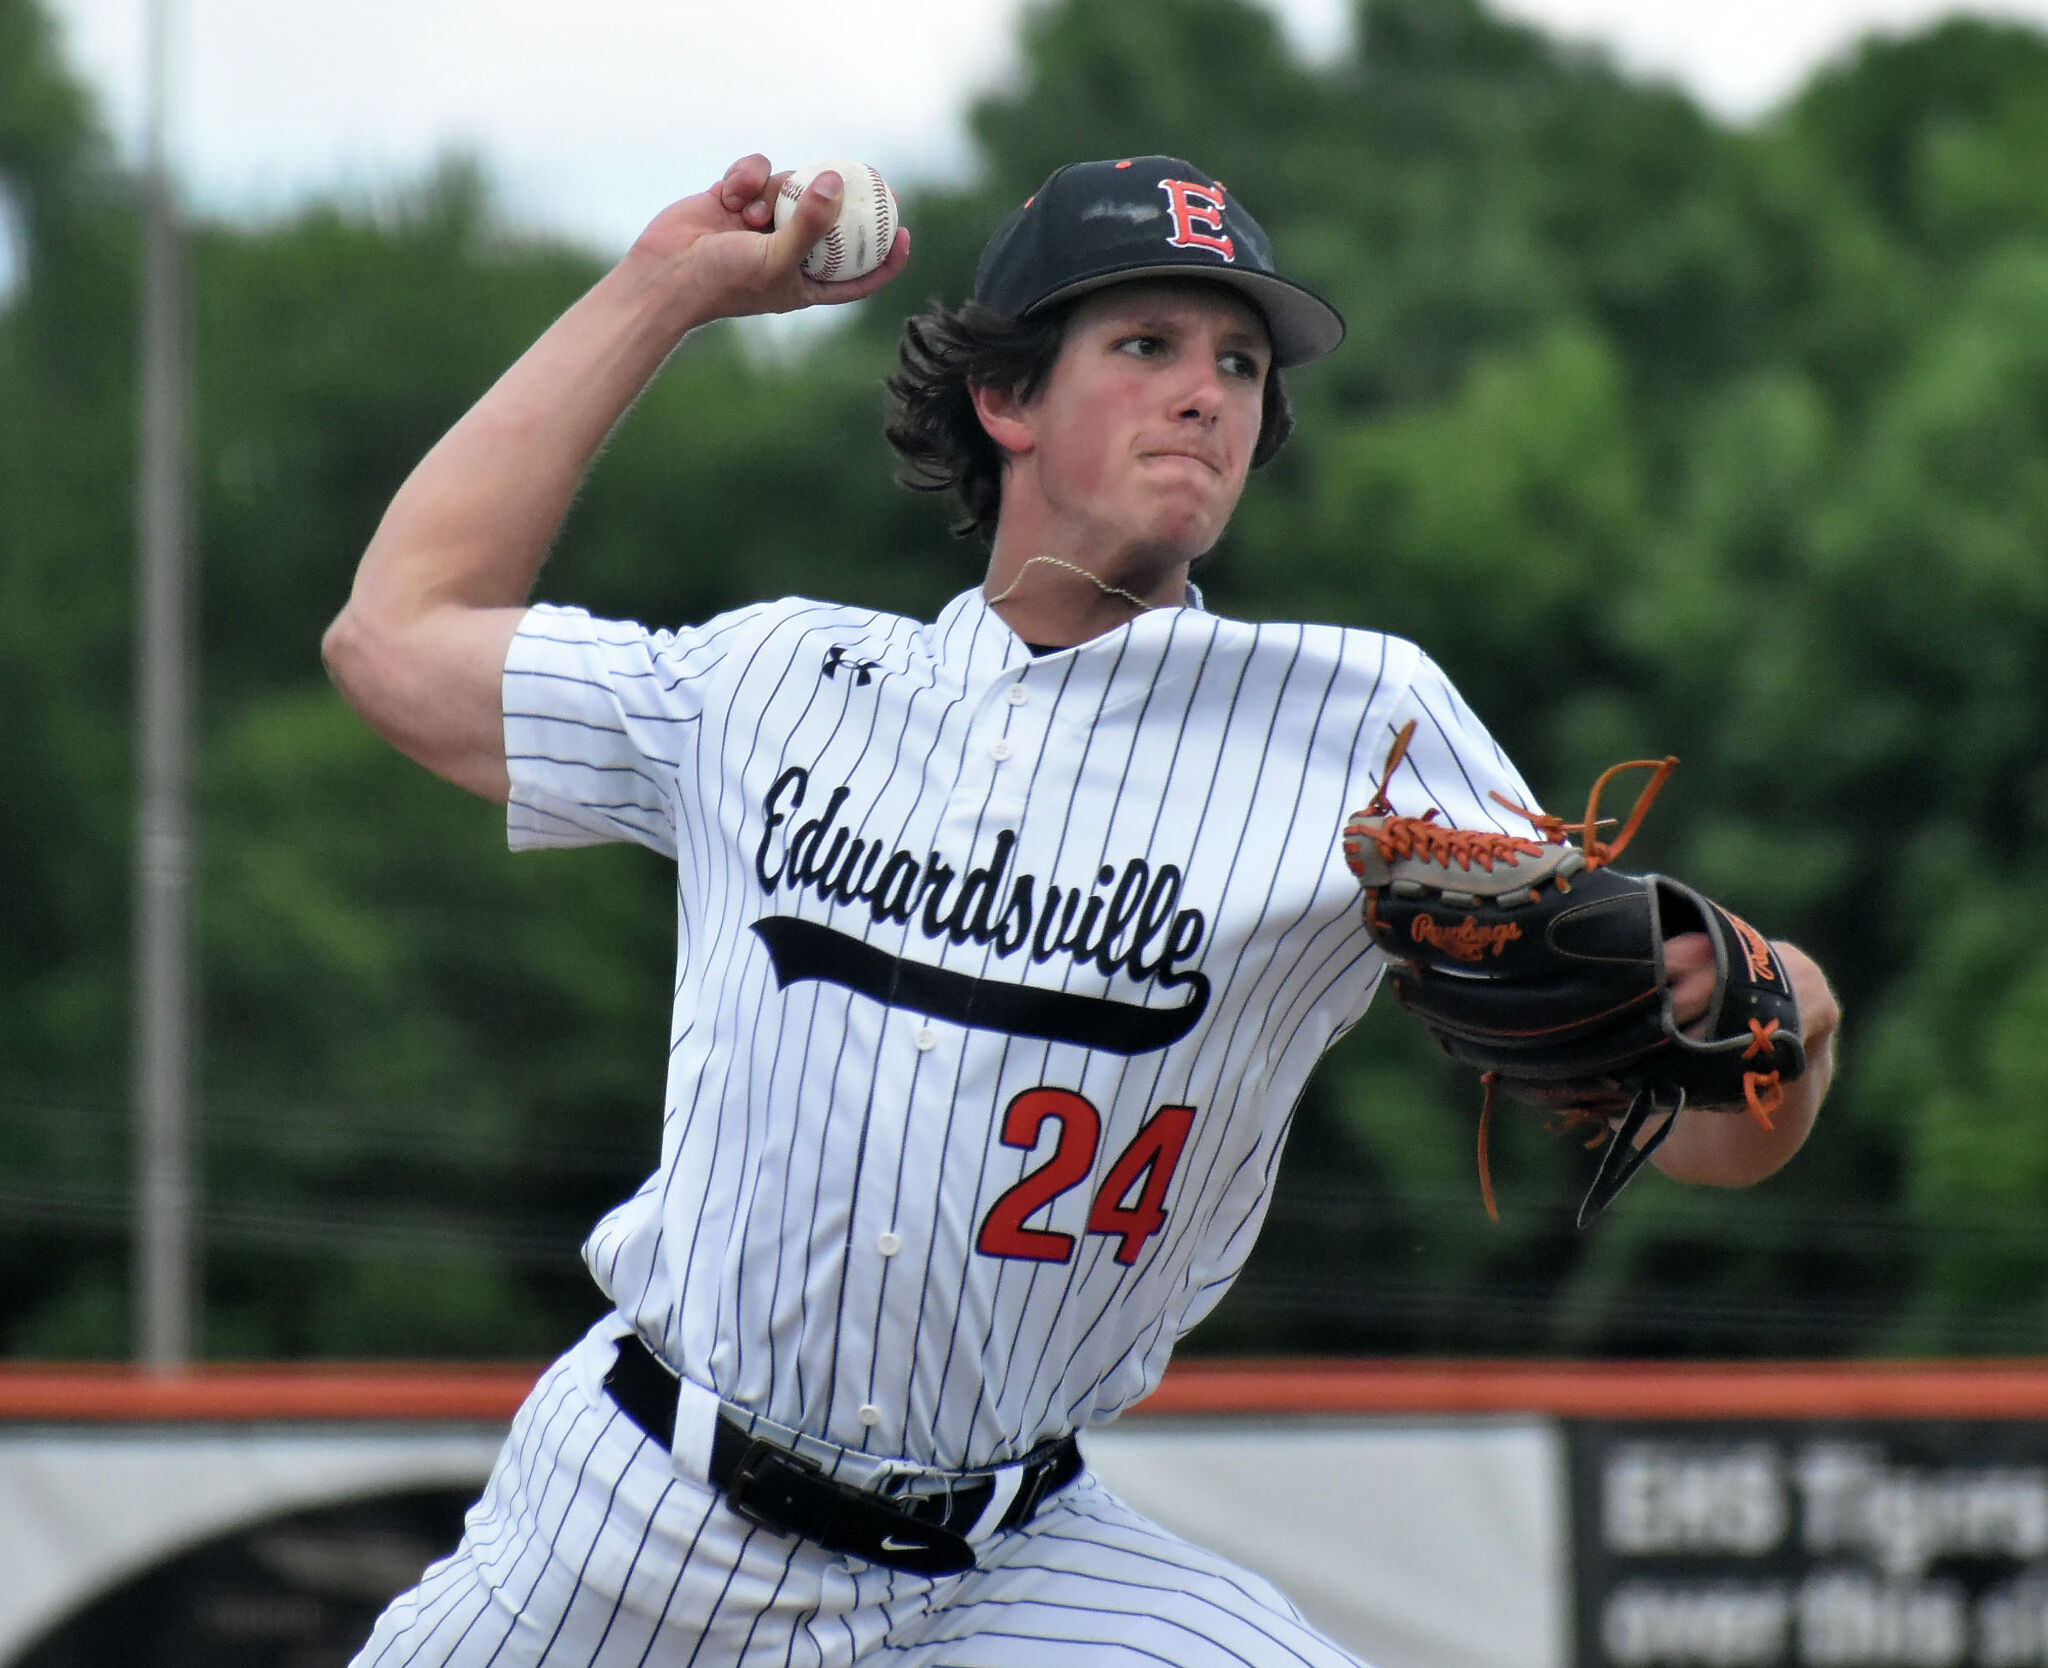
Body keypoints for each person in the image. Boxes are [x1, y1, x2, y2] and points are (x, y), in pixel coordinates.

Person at [325, 152, 1841, 1666]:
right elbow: (395, 639)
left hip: (1002, 1585)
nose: (1208, 393)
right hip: (628, 1529)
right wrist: (667, 288)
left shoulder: (1362, 724)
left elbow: (1710, 1127)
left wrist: (1777, 1021)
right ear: (1008, 402)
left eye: (1240, 363)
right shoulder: (775, 684)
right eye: (1148, 347)